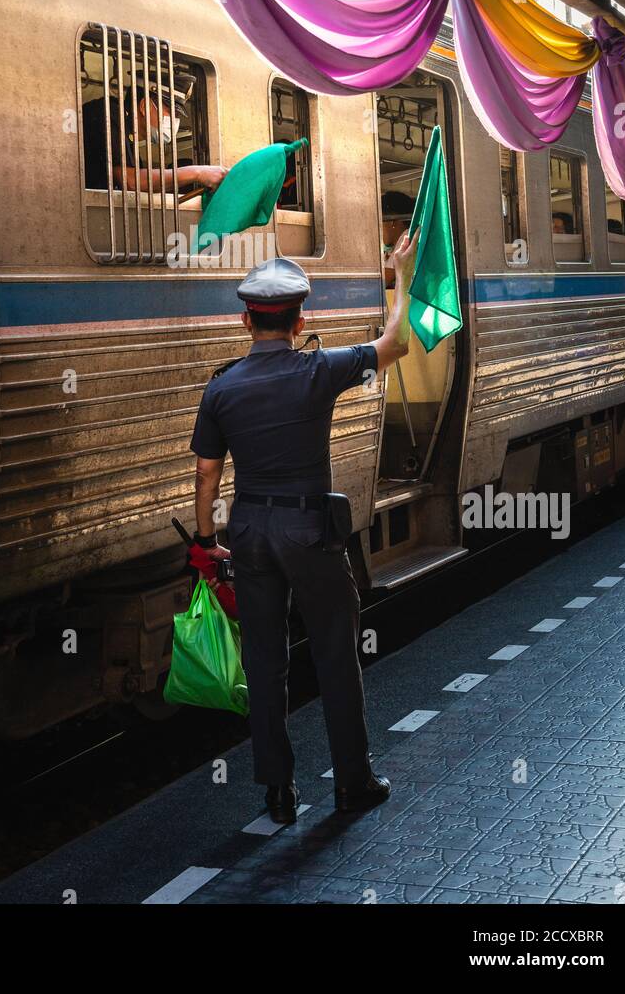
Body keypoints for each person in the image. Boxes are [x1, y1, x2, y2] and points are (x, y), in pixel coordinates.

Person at [189, 232, 419, 825]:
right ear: (300, 320)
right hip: (310, 531)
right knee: (336, 653)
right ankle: (352, 782)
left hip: (249, 534)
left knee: (264, 662)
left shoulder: (221, 387)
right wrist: (401, 275)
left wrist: (208, 542)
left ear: (246, 321)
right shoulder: (320, 369)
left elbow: (207, 475)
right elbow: (396, 344)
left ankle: (277, 792)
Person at [82, 74, 227, 195]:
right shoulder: (107, 115)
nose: (175, 121)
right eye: (171, 113)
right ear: (144, 106)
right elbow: (130, 181)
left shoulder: (128, 137)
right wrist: (197, 173)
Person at [381, 190, 416, 288]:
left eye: (380, 224)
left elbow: (384, 279)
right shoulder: (394, 246)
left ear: (391, 221)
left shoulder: (407, 236)